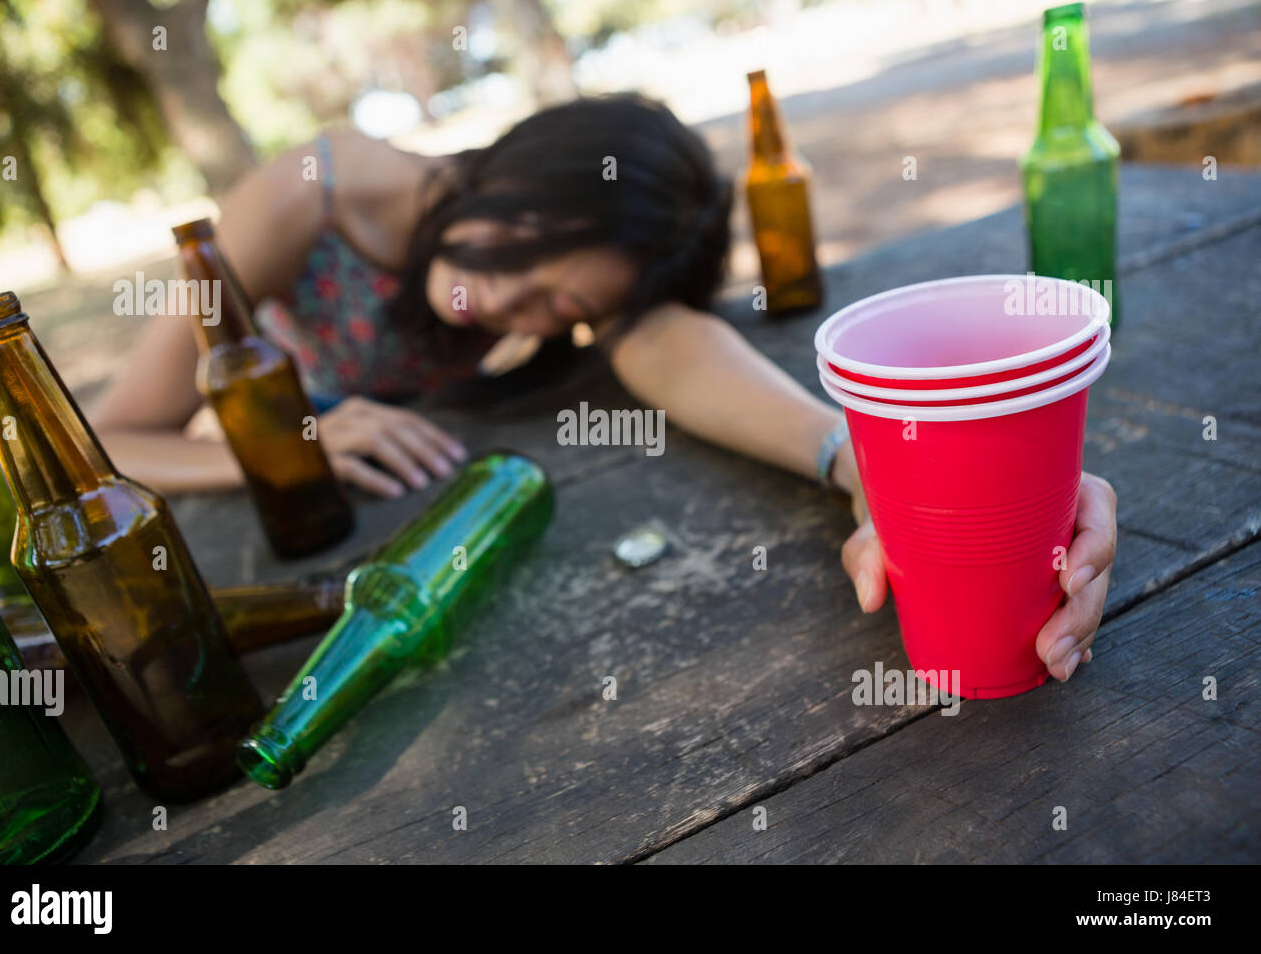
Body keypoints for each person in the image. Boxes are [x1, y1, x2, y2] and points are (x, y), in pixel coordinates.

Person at [91, 94, 1115, 684]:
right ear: (538, 181)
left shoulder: (576, 299)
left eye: (561, 314)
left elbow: (670, 347)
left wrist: (864, 461)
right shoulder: (309, 191)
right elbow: (118, 435)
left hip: (399, 506)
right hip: (285, 518)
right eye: (538, 275)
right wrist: (292, 438)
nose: (519, 316)